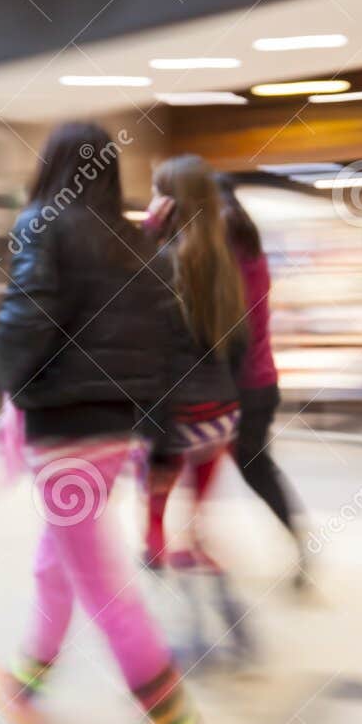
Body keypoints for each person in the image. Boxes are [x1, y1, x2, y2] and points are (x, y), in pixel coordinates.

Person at [0, 123, 224, 724]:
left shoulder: (43, 224)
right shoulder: (136, 244)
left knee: (103, 588)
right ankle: (26, 682)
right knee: (55, 560)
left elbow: (24, 321)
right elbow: (159, 345)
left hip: (61, 436)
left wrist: (2, 376)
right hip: (112, 435)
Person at [142, 155, 253, 662]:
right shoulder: (223, 261)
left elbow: (139, 332)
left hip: (178, 417)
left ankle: (167, 555)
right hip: (222, 414)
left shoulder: (163, 261)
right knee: (197, 515)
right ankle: (201, 558)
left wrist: (146, 236)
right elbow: (238, 344)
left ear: (169, 204)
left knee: (156, 475)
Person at [215, 173, 313, 591]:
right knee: (256, 467)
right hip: (261, 381)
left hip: (238, 385)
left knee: (240, 464)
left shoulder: (223, 256)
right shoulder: (251, 252)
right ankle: (296, 536)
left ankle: (182, 552)